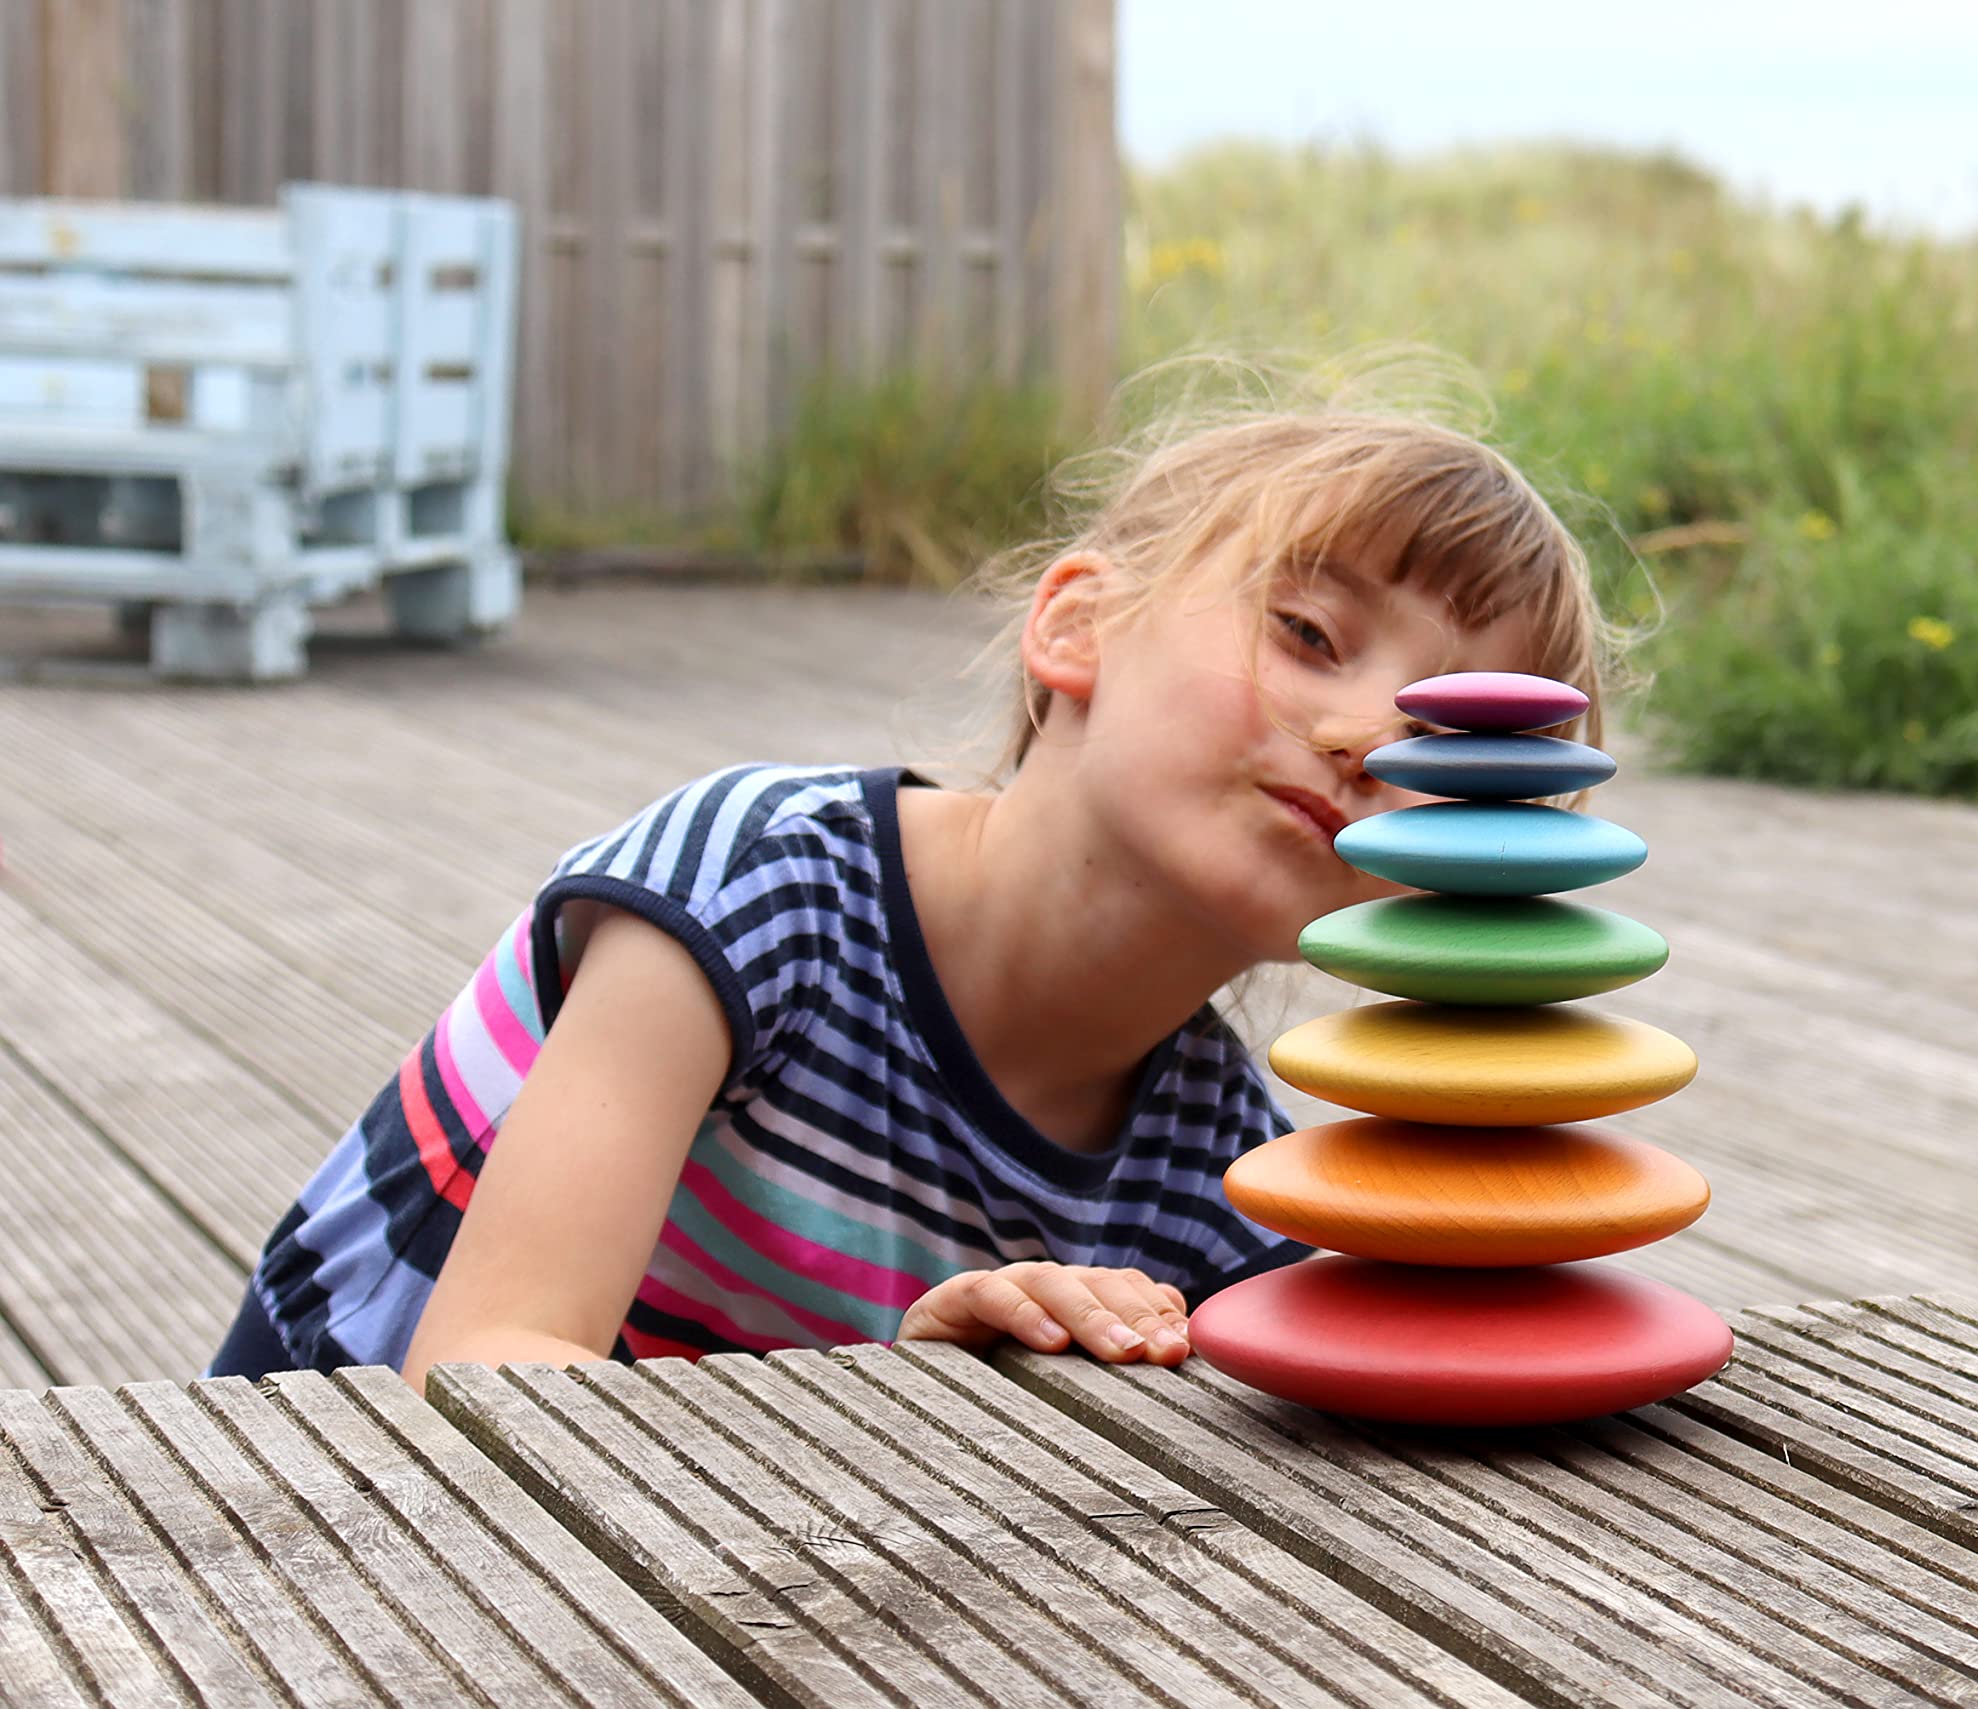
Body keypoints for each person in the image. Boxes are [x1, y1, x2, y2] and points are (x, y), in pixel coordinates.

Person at [204, 367, 1621, 1394]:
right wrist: (876, 1403)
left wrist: (940, 1400)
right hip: (317, 1543)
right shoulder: (754, 891)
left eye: (1455, 739)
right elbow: (487, 1375)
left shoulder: (1225, 1184)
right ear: (1076, 630)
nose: (1373, 734)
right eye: (1310, 630)